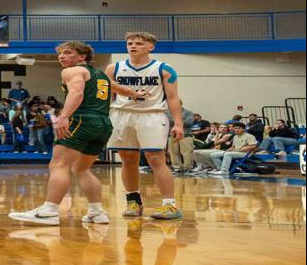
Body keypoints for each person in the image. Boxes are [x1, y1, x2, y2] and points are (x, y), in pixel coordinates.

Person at [9, 41, 132, 226]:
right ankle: (96, 212)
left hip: (82, 119)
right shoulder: (101, 75)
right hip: (103, 124)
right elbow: (119, 89)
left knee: (59, 164)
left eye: (67, 53)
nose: (62, 56)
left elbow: (77, 92)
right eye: (60, 53)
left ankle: (49, 211)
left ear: (82, 57)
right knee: (81, 169)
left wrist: (64, 116)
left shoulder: (72, 71)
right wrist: (135, 94)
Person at [107, 31, 184, 220]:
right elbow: (108, 97)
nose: (133, 46)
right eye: (130, 43)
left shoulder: (164, 69)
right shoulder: (113, 68)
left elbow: (173, 98)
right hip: (121, 115)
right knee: (128, 159)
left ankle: (170, 206)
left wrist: (179, 124)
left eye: (139, 43)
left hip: (152, 115)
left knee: (156, 158)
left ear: (151, 46)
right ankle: (133, 202)